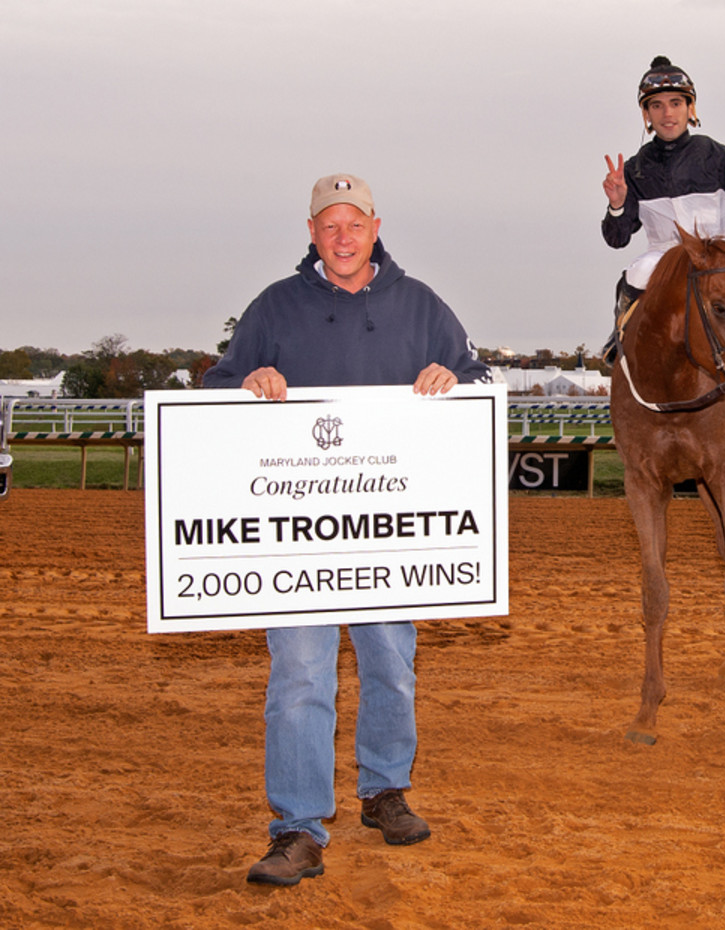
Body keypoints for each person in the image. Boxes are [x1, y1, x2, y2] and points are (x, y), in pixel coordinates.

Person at [203, 173, 492, 885]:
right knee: (300, 675)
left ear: (375, 226)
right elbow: (214, 385)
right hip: (298, 538)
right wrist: (245, 385)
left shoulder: (421, 305)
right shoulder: (274, 307)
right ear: (311, 233)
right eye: (328, 225)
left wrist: (453, 383)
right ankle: (298, 827)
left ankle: (384, 791)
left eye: (353, 224)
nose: (342, 237)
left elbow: (480, 380)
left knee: (391, 663)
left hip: (386, 536)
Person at [600, 55, 725, 362]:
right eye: (656, 105)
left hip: (722, 258)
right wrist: (617, 204)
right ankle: (621, 335)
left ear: (690, 108)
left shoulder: (720, 158)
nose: (667, 113)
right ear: (646, 113)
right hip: (664, 259)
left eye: (675, 102)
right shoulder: (634, 170)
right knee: (636, 271)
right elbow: (617, 238)